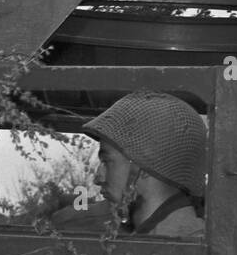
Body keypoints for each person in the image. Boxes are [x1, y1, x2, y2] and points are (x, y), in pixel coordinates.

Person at [49, 91, 205, 237]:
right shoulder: (159, 238)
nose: (98, 178)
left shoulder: (184, 250)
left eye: (107, 161)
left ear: (142, 167)